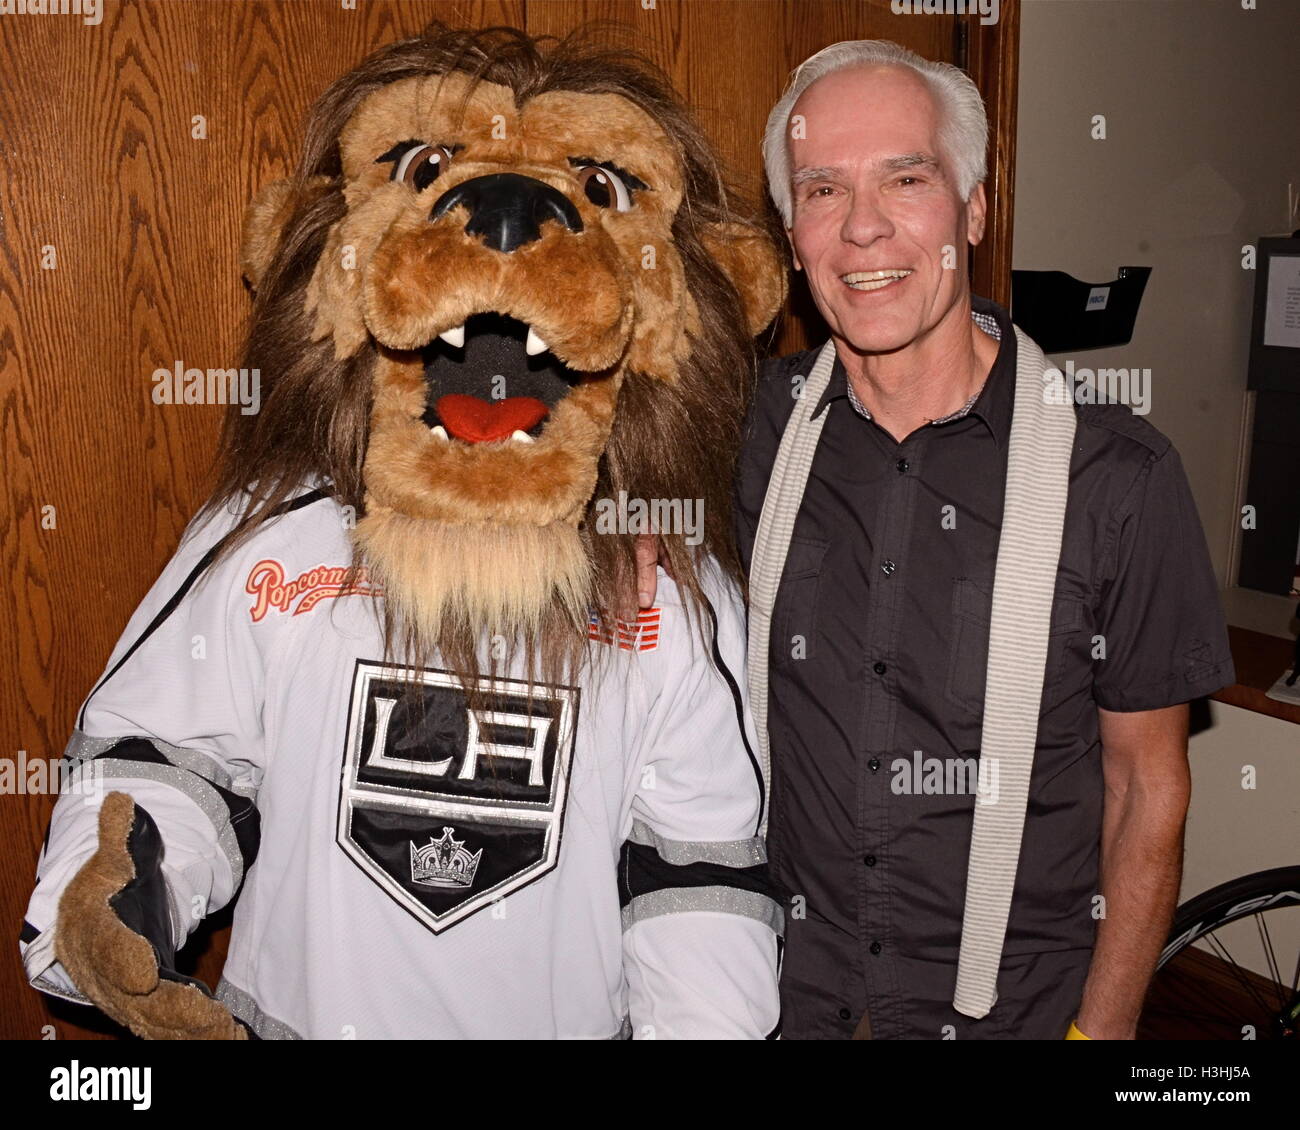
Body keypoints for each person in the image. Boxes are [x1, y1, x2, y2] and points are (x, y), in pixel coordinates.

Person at [640, 39, 1233, 1040]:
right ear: (791, 237)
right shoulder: (738, 432)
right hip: (781, 997)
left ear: (972, 208)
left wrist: (1102, 1030)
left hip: (1018, 1015)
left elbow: (1146, 789)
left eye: (904, 179)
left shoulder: (1119, 478)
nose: (862, 227)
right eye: (822, 189)